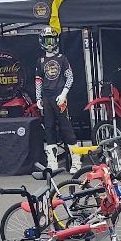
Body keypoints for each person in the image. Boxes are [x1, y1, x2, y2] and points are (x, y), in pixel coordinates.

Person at [36, 29, 80, 173]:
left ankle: (76, 161)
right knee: (49, 128)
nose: (50, 43)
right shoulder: (40, 61)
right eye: (47, 40)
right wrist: (38, 98)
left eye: (52, 40)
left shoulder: (62, 58)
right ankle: (52, 162)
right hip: (47, 97)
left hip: (60, 96)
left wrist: (64, 94)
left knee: (66, 127)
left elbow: (70, 78)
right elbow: (38, 81)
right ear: (42, 41)